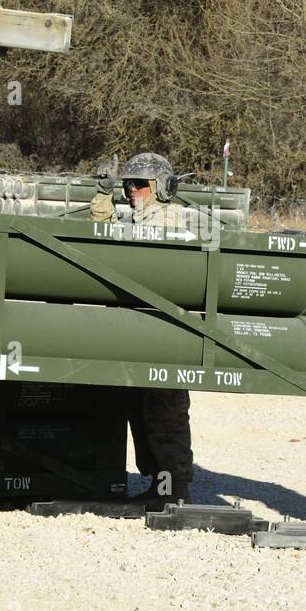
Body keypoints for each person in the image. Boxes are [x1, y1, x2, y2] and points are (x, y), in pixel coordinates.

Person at [92, 152, 198, 509]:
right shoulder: (139, 217)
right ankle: (158, 483)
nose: (132, 190)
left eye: (139, 184)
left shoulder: (172, 219)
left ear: (162, 188)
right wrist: (103, 197)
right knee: (140, 410)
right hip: (139, 329)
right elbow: (105, 237)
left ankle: (173, 488)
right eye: (128, 184)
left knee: (165, 412)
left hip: (164, 331)